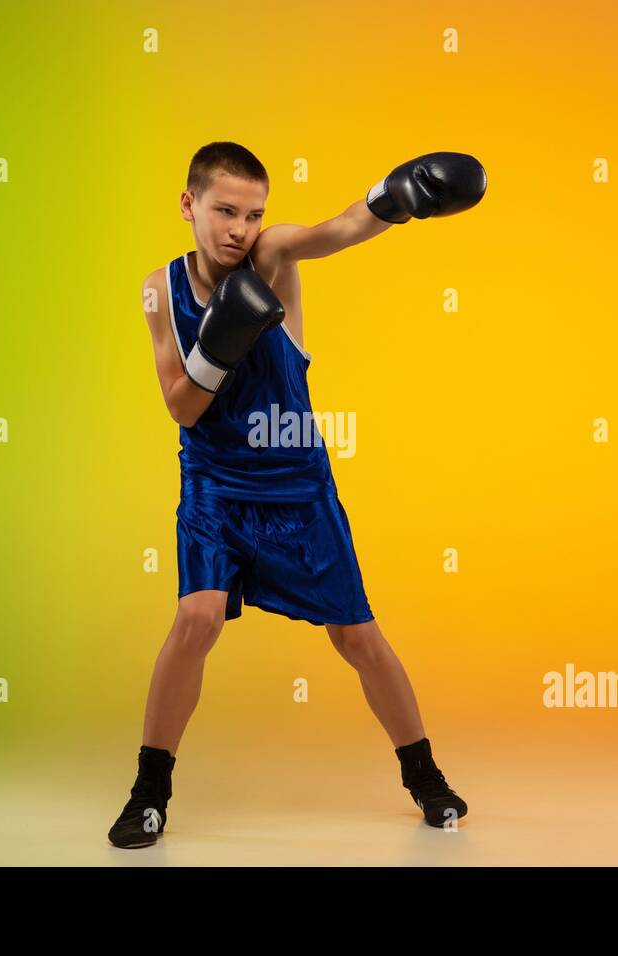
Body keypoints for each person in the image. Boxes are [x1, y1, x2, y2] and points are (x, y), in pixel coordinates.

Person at [110, 142, 487, 848]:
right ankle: (148, 793)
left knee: (357, 637)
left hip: (296, 483)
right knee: (195, 622)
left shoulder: (272, 257)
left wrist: (395, 197)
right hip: (215, 484)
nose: (239, 229)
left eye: (253, 213)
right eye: (224, 211)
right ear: (189, 205)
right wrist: (219, 346)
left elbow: (336, 230)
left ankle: (426, 777)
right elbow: (181, 407)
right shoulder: (159, 290)